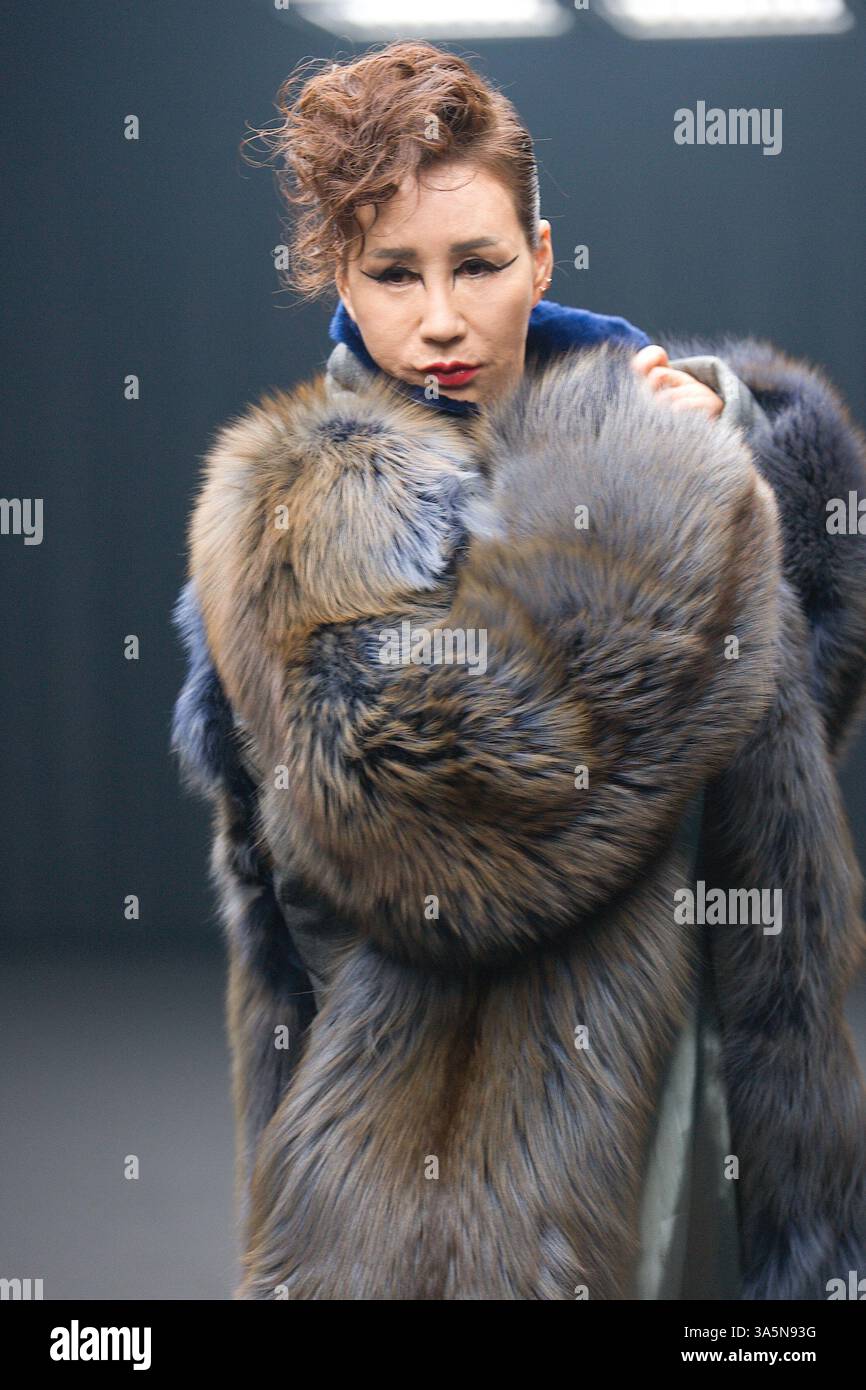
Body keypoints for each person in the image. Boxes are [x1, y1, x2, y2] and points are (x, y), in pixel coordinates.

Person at [171, 40, 866, 1300]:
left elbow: (799, 705)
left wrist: (750, 445)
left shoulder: (656, 439)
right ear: (341, 277)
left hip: (696, 1132)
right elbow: (467, 805)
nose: (438, 317)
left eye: (478, 264)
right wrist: (673, 495)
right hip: (442, 1212)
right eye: (392, 272)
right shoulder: (297, 512)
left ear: (540, 261)